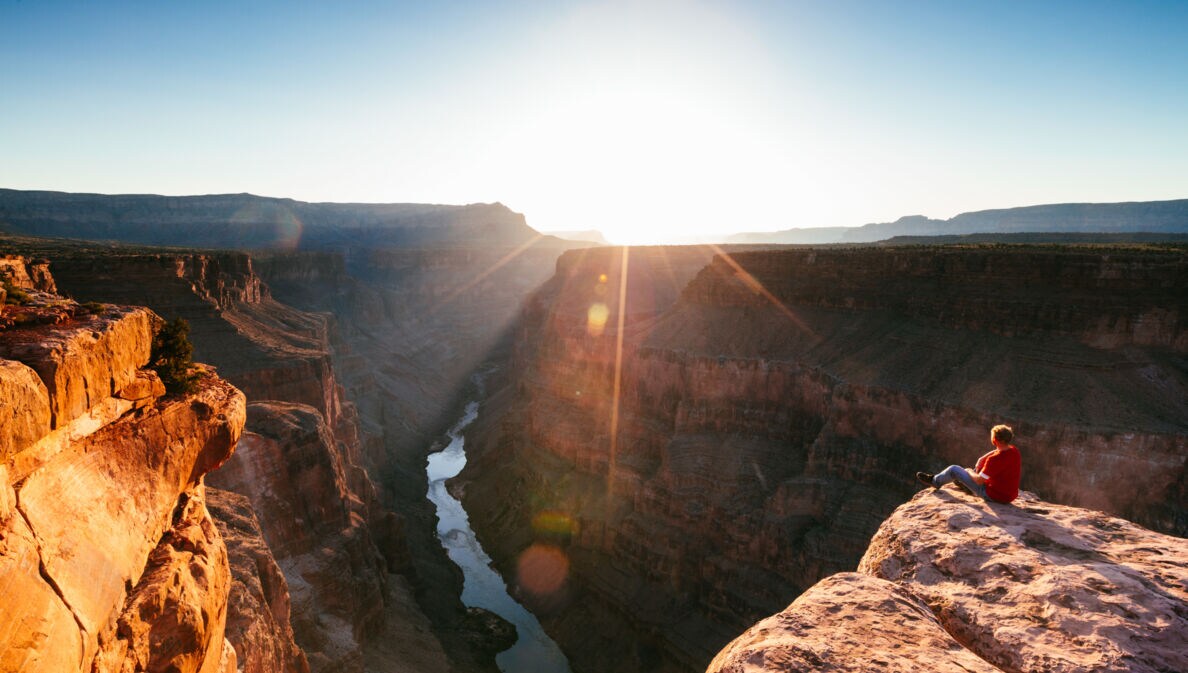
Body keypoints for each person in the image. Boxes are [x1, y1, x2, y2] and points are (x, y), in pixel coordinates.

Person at [916, 424, 1022, 504]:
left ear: (994, 440)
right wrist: (982, 458)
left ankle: (935, 481)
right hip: (1010, 496)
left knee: (954, 469)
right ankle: (965, 485)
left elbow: (980, 481)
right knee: (978, 470)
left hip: (994, 496)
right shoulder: (1014, 451)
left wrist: (969, 471)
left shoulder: (994, 460)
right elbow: (998, 451)